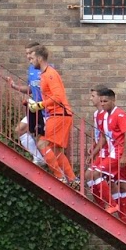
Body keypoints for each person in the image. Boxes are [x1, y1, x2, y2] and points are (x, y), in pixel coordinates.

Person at [22, 43, 75, 186]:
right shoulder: (45, 73)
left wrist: (39, 105)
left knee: (42, 143)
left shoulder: (49, 74)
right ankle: (72, 179)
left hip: (59, 114)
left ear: (39, 58)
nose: (30, 60)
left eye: (32, 58)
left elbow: (58, 96)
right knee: (57, 149)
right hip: (60, 114)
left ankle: (60, 177)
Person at [87, 87, 126, 225]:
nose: (102, 104)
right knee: (123, 186)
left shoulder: (120, 114)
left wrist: (125, 154)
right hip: (112, 153)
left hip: (118, 154)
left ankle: (110, 205)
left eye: (105, 101)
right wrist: (94, 153)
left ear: (113, 100)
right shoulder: (104, 116)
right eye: (101, 101)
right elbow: (103, 137)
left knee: (95, 174)